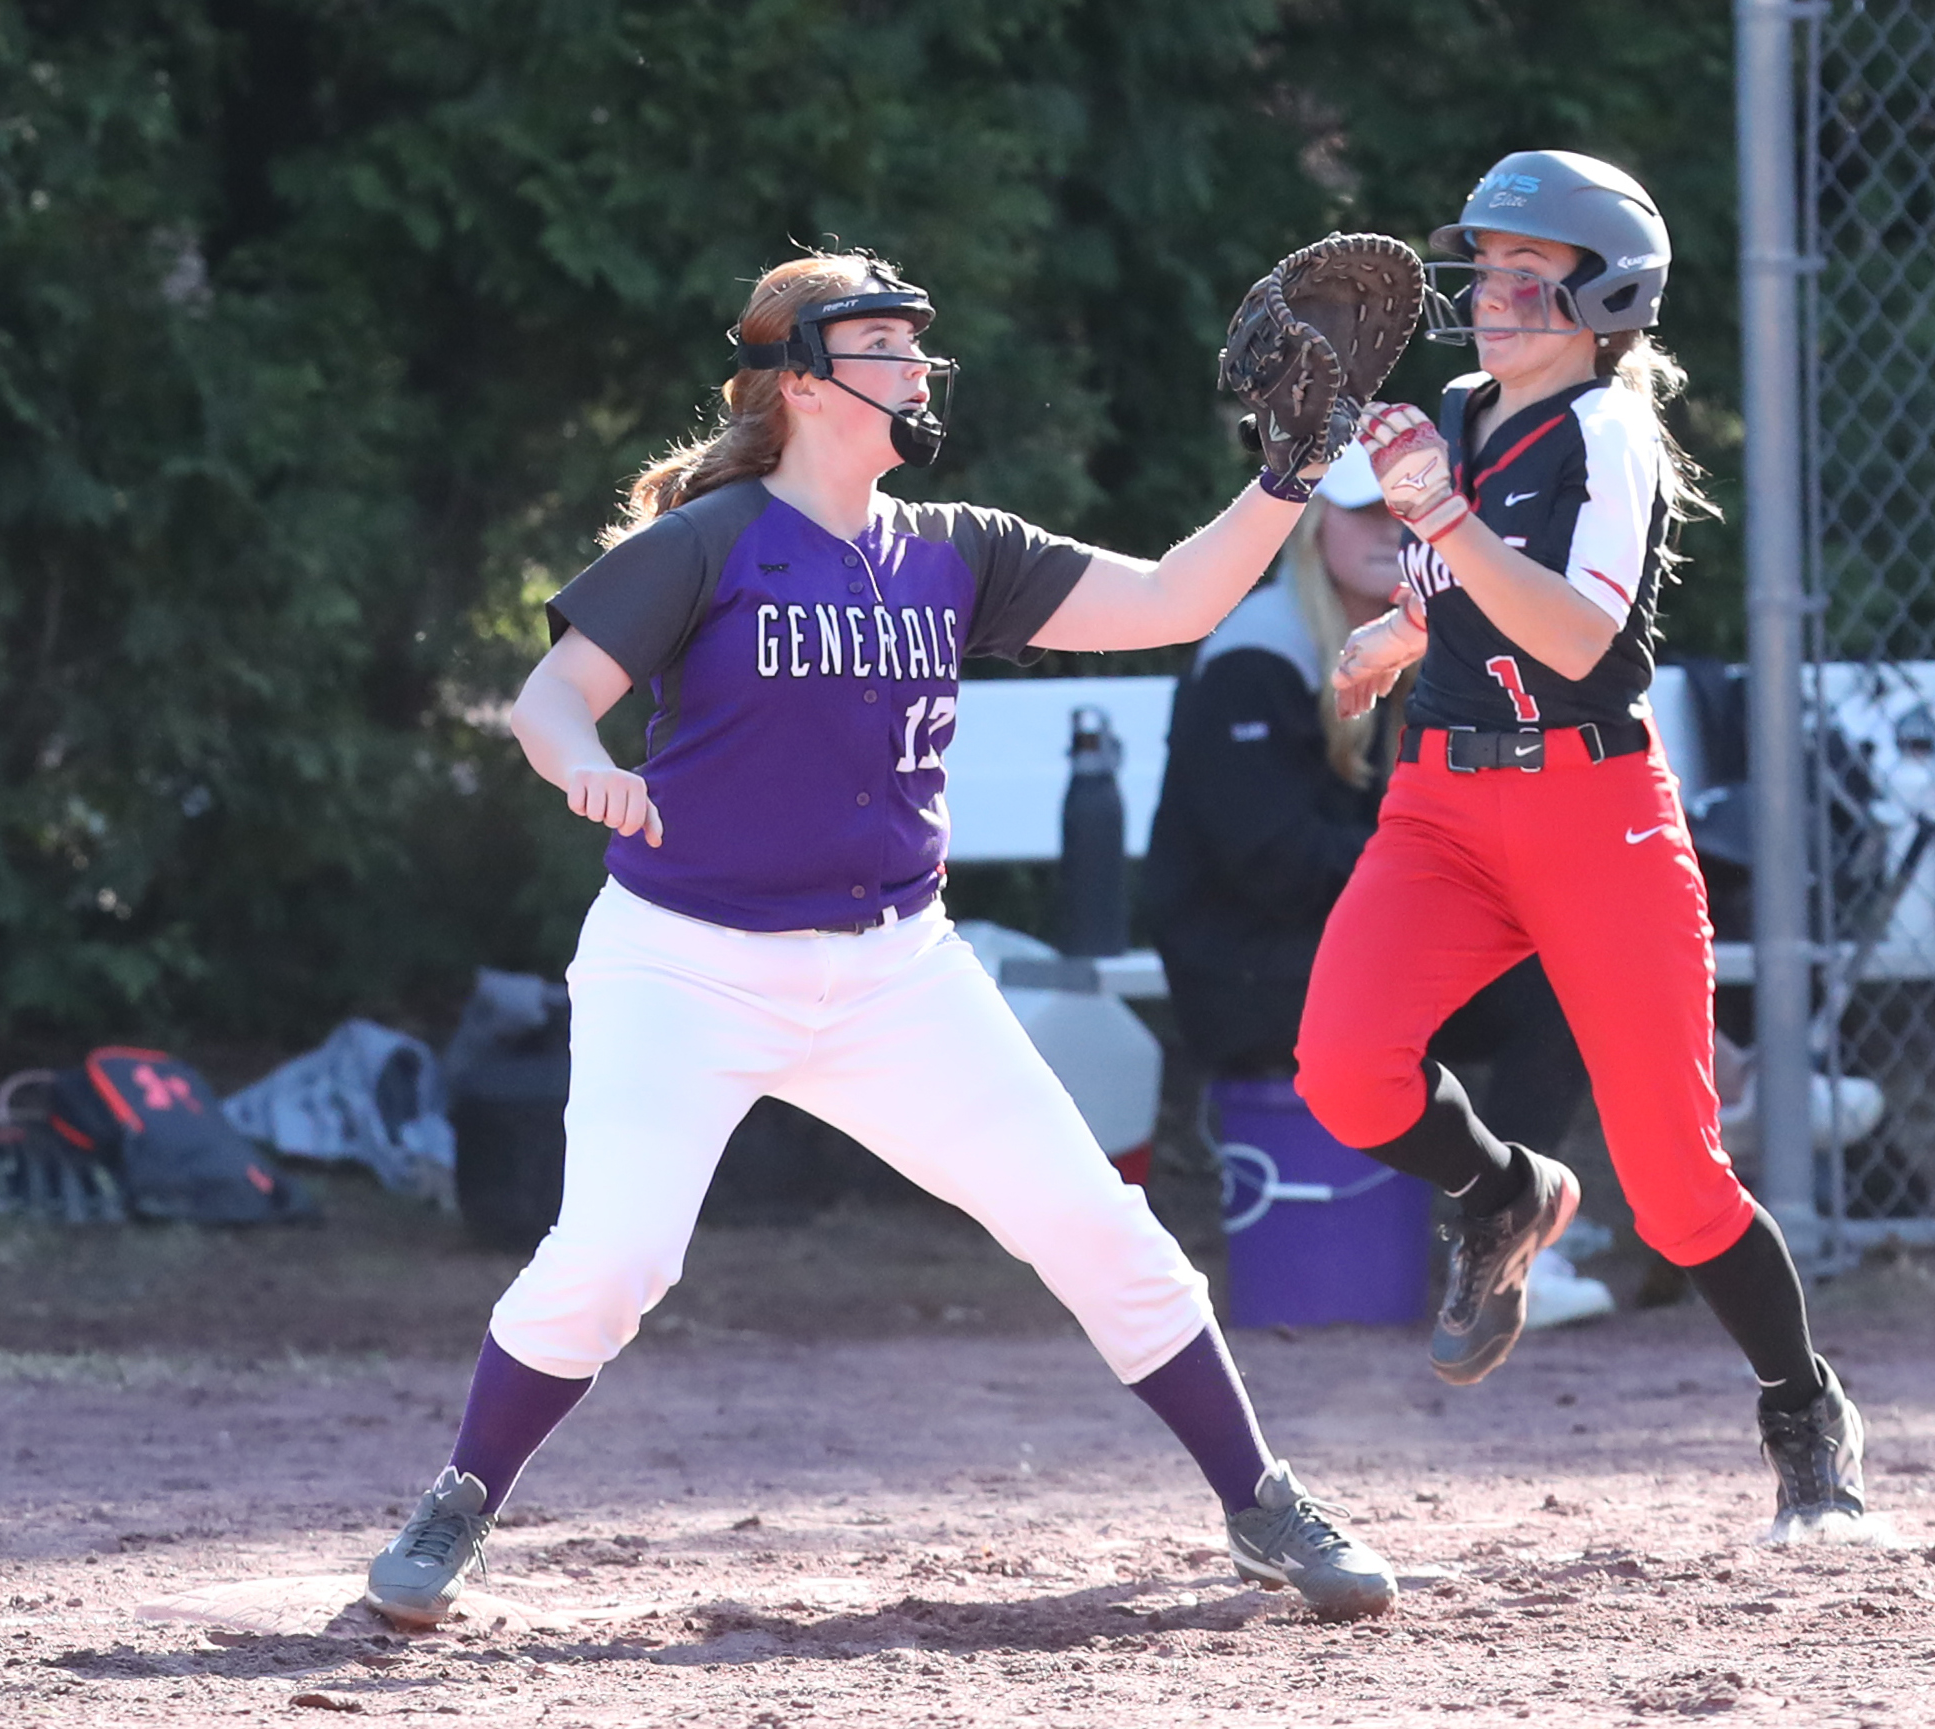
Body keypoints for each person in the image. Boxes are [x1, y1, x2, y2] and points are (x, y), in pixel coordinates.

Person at [362, 249, 1398, 1626]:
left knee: (1100, 1226)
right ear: (799, 378)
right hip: (686, 958)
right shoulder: (709, 540)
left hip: (898, 969)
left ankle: (1260, 1499)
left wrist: (1283, 480)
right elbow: (550, 699)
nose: (917, 366)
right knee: (616, 1257)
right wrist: (583, 769)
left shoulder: (956, 547)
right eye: (886, 343)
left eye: (919, 342)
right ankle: (460, 1500)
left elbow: (1173, 604)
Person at [1302, 151, 1870, 1542]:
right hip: (1440, 801)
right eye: (1483, 269)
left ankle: (1803, 1412)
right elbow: (1474, 592)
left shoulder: (1605, 432)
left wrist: (1433, 517)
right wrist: (1401, 625)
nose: (1487, 297)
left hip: (1591, 810)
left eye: (1523, 276)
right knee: (1343, 1070)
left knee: (1677, 1188)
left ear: (1604, 299)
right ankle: (1504, 1192)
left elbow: (1575, 633)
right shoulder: (1462, 413)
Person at [1142, 453, 1613, 1329]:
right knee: (1508, 965)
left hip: (1343, 950)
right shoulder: (1260, 650)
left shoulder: (1431, 645)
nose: (1386, 534)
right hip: (1244, 975)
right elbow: (1270, 866)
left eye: (1405, 515)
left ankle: (1504, 1243)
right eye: (1362, 513)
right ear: (1316, 521)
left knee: (1557, 975)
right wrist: (1447, 885)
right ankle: (1498, 1235)